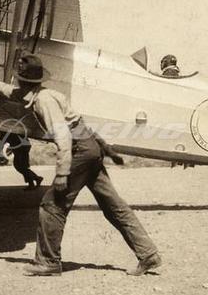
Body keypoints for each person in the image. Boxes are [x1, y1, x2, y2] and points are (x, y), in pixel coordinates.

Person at [14, 54, 162, 277]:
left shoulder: (44, 101)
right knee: (113, 206)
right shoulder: (47, 94)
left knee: (51, 205)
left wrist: (63, 173)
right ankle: (148, 254)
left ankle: (48, 262)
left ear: (21, 81)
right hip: (90, 148)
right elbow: (79, 125)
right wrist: (103, 148)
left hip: (80, 151)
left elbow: (63, 135)